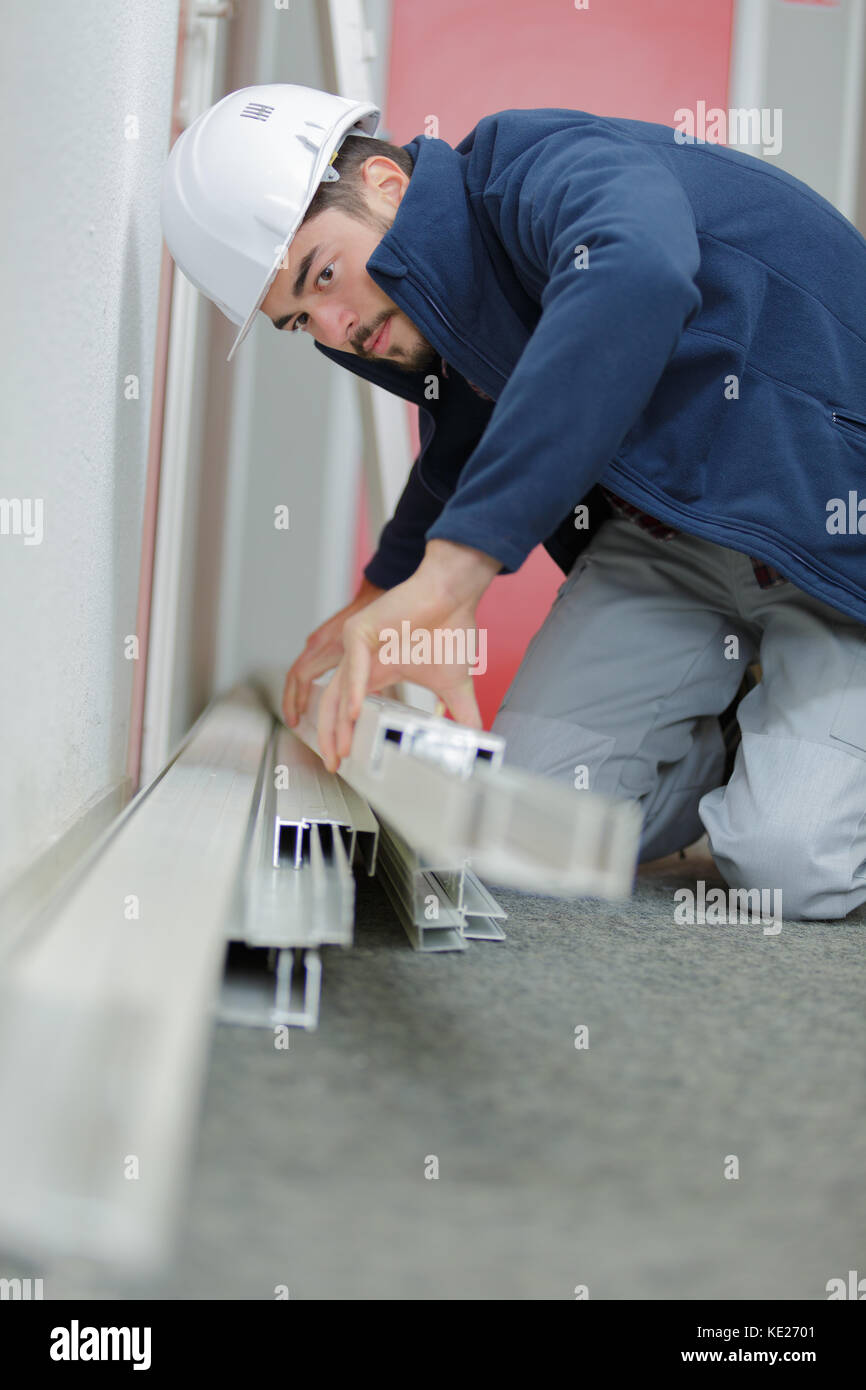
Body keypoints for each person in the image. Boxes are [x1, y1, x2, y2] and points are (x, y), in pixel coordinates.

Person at [161, 84, 866, 920]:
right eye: (298, 320)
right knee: (528, 837)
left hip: (825, 535)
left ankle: (797, 772)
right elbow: (464, 436)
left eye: (323, 276)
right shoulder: (435, 311)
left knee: (791, 869)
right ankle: (756, 734)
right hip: (670, 544)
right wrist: (383, 593)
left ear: (386, 184)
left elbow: (636, 272)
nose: (335, 327)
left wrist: (454, 579)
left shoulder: (544, 166)